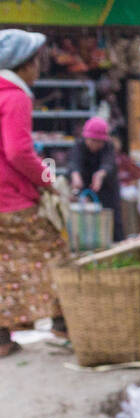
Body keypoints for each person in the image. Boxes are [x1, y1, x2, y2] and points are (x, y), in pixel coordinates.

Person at [0, 29, 66, 357]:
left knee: (4, 264)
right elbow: (18, 152)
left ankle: (1, 339)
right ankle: (62, 321)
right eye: (37, 61)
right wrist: (48, 179)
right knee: (55, 250)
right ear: (24, 65)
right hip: (10, 198)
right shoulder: (15, 96)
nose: (40, 68)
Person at [68, 116, 123, 241]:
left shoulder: (108, 147)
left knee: (113, 219)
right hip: (85, 187)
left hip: (107, 188)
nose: (95, 145)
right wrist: (75, 175)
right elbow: (74, 163)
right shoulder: (79, 146)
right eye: (92, 140)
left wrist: (100, 175)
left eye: (99, 141)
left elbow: (108, 164)